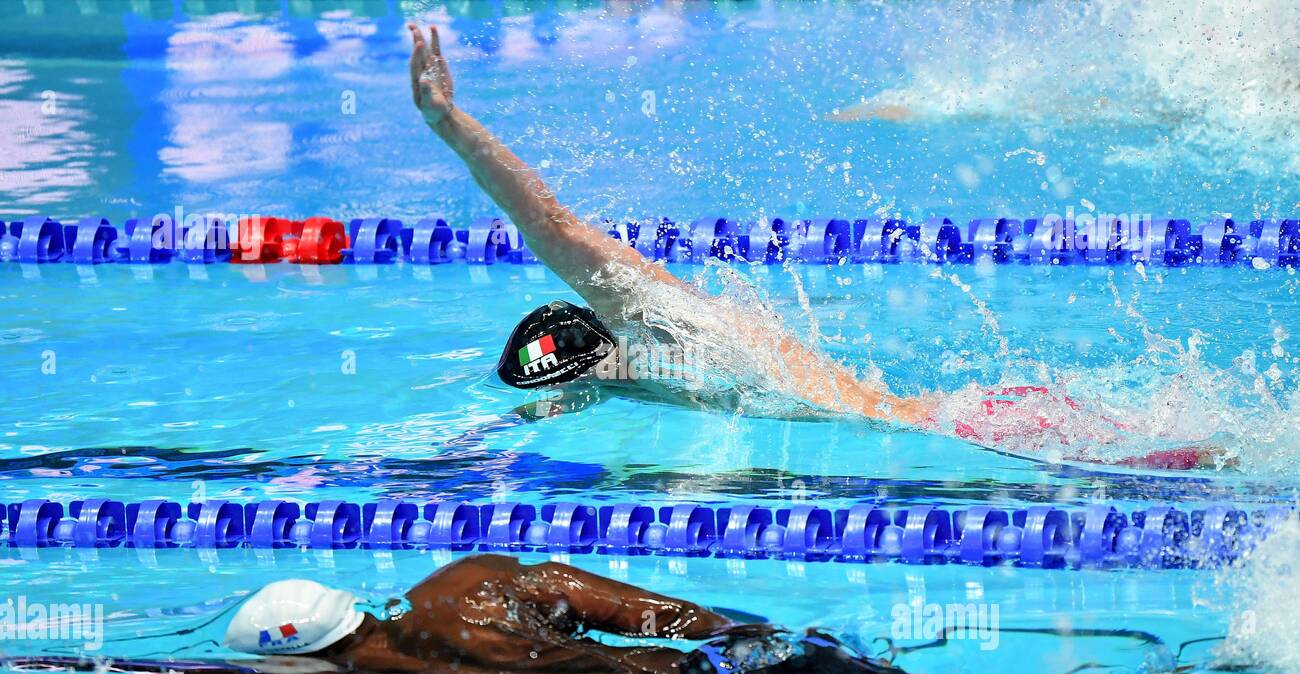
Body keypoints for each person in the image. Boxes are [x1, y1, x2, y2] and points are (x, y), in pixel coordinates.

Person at [405, 24, 1224, 470]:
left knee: (1199, 464)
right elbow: (578, 397)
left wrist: (451, 127)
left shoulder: (649, 314)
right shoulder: (653, 368)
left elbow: (551, 224)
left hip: (981, 429)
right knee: (1189, 455)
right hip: (970, 420)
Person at [4, 555, 1287, 674]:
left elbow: (179, 661)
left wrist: (49, 657)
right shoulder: (476, 583)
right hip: (739, 663)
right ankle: (1219, 667)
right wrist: (749, 632)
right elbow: (647, 608)